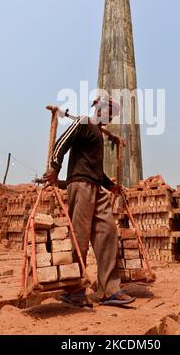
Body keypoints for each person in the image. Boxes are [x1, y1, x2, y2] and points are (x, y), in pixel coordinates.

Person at [44, 95, 135, 307]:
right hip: (81, 185)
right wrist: (55, 167)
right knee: (80, 236)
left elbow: (96, 168)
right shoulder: (84, 122)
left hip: (97, 187)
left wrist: (109, 184)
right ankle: (74, 289)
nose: (110, 117)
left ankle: (108, 290)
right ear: (99, 108)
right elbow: (62, 143)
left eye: (113, 114)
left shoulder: (99, 135)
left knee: (108, 232)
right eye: (109, 111)